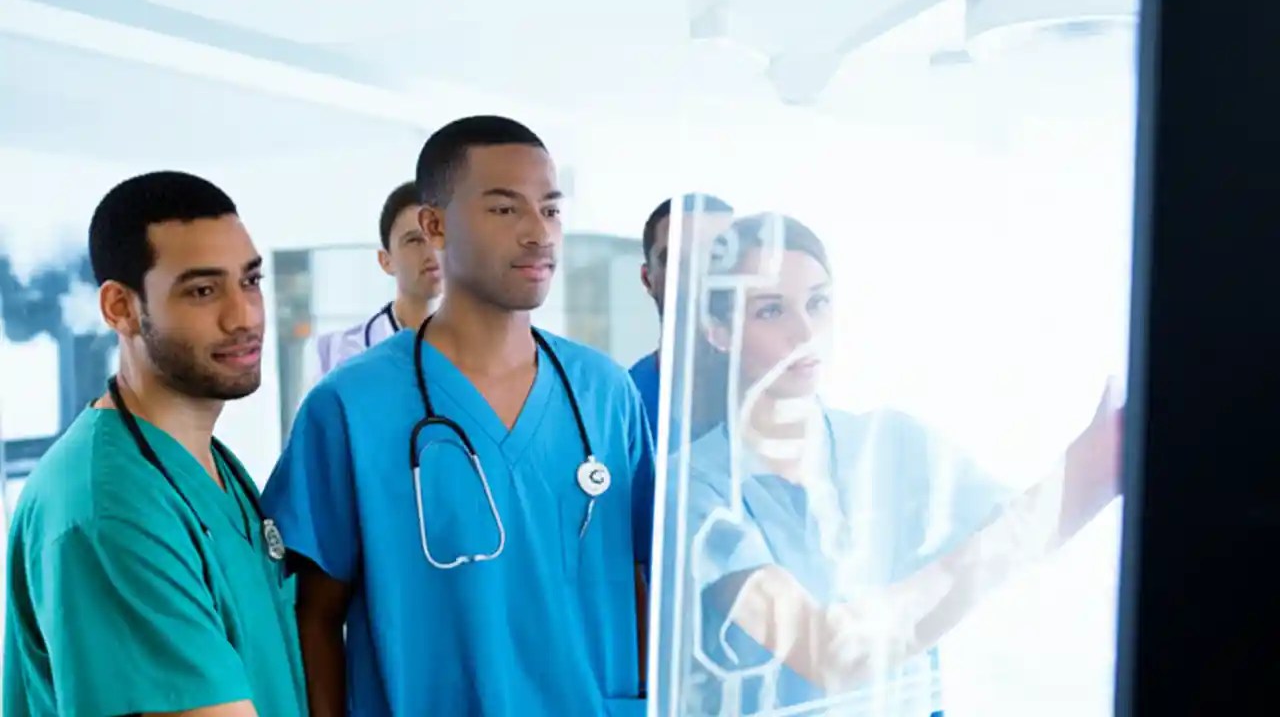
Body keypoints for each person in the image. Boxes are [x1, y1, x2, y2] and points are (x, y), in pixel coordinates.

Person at [261, 115, 654, 717]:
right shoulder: (350, 407)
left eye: (550, 210)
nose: (538, 233)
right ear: (435, 225)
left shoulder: (605, 392)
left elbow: (640, 577)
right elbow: (314, 614)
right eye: (504, 209)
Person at [657, 213, 1122, 716]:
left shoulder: (894, 443)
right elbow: (829, 653)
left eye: (817, 303)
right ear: (719, 332)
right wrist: (1081, 477)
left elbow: (1032, 534)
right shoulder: (695, 487)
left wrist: (1097, 468)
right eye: (771, 311)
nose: (804, 332)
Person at [3, 171, 306, 717]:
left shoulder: (209, 467)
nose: (244, 316)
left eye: (250, 281)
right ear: (120, 307)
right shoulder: (110, 506)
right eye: (202, 291)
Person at [309, 180, 443, 377]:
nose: (432, 253)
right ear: (386, 261)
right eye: (414, 240)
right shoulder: (344, 354)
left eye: (438, 235)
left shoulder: (483, 347)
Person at [630, 193, 734, 443]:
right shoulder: (622, 406)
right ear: (647, 278)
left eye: (717, 257)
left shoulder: (787, 399)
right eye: (676, 261)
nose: (699, 274)